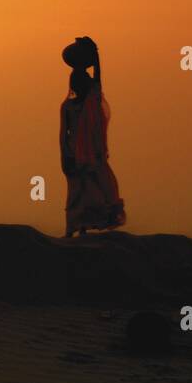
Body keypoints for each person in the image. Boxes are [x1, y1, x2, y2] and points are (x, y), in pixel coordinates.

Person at [60, 36, 126, 237]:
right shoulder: (68, 107)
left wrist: (95, 55)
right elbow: (63, 134)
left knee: (92, 192)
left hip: (91, 155)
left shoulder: (91, 100)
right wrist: (65, 157)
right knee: (76, 194)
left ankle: (84, 227)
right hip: (75, 155)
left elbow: (98, 79)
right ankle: (73, 228)